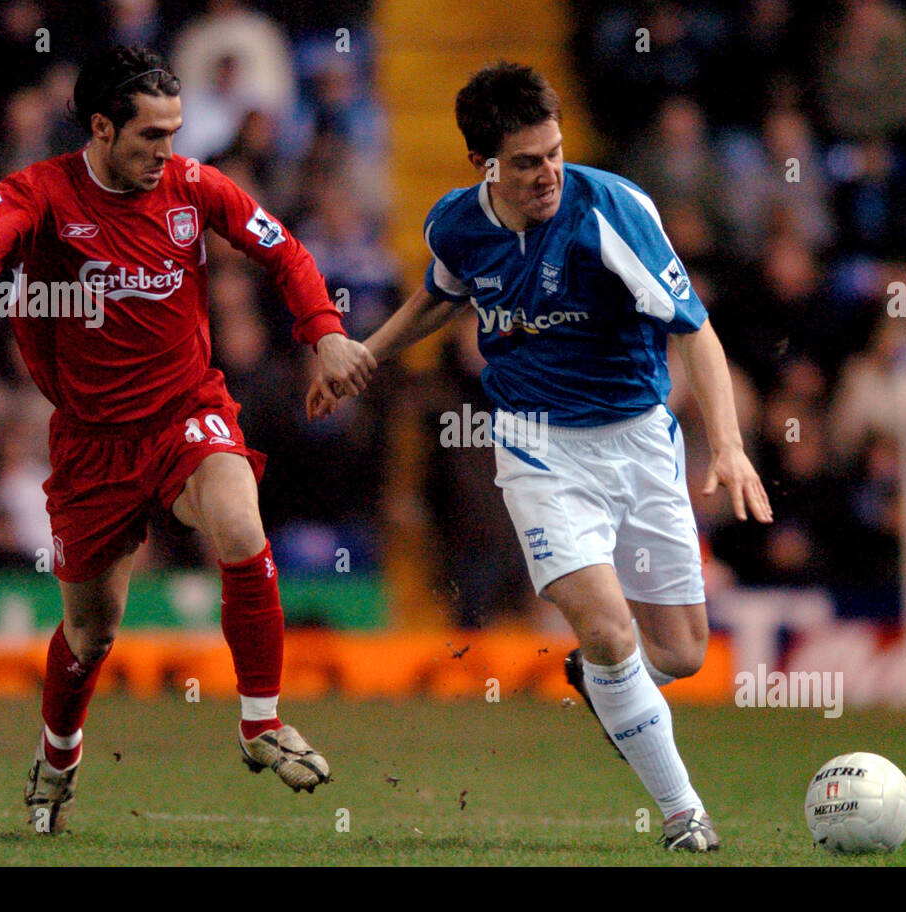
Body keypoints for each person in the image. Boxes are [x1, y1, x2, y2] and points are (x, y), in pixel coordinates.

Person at [0, 45, 376, 834]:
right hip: (92, 443)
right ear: (101, 128)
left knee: (241, 526)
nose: (167, 151)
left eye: (174, 132)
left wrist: (324, 331)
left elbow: (283, 249)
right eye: (150, 136)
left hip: (187, 412)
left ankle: (260, 720)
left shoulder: (192, 187)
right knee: (91, 631)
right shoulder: (38, 193)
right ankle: (58, 758)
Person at [308, 62, 772, 852]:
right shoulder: (457, 223)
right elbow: (442, 293)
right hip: (537, 447)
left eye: (553, 152)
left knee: (684, 652)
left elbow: (694, 327)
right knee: (610, 631)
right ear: (485, 165)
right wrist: (369, 354)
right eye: (526, 162)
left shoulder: (612, 210)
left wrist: (726, 444)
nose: (548, 172)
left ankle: (602, 688)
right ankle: (683, 813)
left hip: (639, 440)